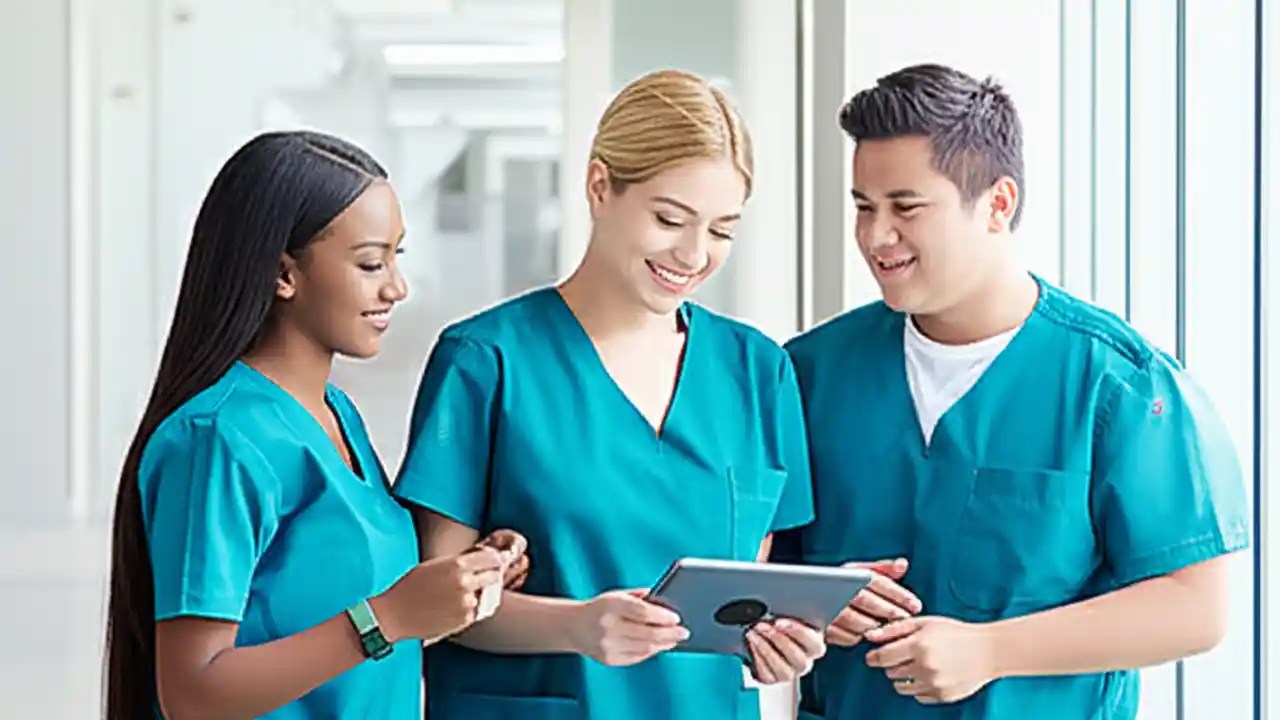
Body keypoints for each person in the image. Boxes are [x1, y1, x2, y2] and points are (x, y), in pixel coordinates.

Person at [776, 63, 1250, 719]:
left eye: (906, 208)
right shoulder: (809, 372)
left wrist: (992, 650)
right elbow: (764, 577)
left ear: (998, 204)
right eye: (864, 207)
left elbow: (1195, 607)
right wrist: (819, 602)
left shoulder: (1119, 384)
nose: (875, 236)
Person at [392, 69, 825, 720]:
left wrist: (779, 645)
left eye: (723, 230)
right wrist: (573, 626)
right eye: (670, 218)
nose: (694, 253)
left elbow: (750, 599)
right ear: (600, 187)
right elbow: (432, 607)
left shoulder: (759, 371)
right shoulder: (488, 362)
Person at [103, 130, 529, 720]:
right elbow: (193, 693)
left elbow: (346, 615)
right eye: (371, 263)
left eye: (396, 259)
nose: (396, 287)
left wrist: (458, 586)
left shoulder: (336, 414)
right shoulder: (218, 440)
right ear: (284, 274)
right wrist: (390, 617)